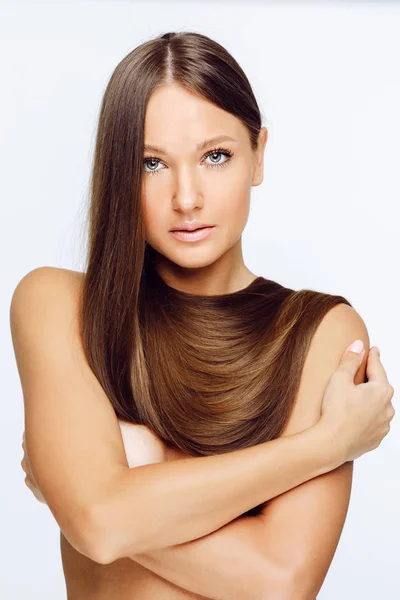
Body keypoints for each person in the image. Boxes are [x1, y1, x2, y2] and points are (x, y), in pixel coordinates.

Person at [12, 31, 395, 600]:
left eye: (215, 156)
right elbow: (98, 521)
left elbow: (280, 582)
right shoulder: (61, 306)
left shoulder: (321, 333)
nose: (186, 198)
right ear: (118, 169)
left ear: (258, 153)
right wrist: (324, 446)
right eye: (151, 164)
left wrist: (117, 496)